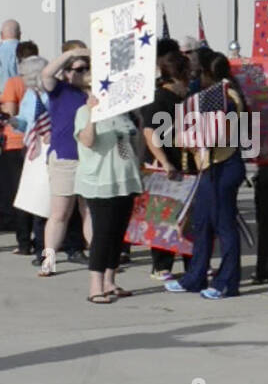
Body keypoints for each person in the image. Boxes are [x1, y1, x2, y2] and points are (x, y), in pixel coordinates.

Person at [164, 53, 248, 299]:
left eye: (197, 73)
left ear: (208, 73)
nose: (193, 78)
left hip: (224, 166)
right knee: (201, 224)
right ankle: (194, 277)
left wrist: (190, 138)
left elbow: (219, 134)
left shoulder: (228, 98)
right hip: (207, 168)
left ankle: (227, 282)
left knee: (224, 226)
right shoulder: (206, 98)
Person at [73, 94, 143, 302]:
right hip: (101, 179)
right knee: (103, 233)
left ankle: (110, 281)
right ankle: (95, 286)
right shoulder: (84, 112)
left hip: (125, 178)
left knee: (118, 233)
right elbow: (87, 141)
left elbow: (133, 141)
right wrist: (93, 113)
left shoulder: (123, 113)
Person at [37, 44, 93, 276]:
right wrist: (72, 54)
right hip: (65, 159)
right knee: (60, 213)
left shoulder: (96, 94)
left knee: (89, 212)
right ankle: (49, 258)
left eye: (84, 68)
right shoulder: (60, 90)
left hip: (92, 159)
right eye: (74, 69)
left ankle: (97, 257)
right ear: (66, 72)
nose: (79, 73)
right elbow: (46, 75)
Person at [141, 51, 198, 281]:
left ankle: (191, 263)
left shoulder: (186, 99)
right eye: (188, 73)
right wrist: (164, 162)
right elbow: (149, 132)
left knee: (187, 218)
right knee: (165, 216)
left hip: (187, 164)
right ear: (178, 75)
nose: (191, 78)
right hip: (167, 166)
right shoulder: (159, 100)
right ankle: (161, 266)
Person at [1, 41, 39, 247]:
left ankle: (23, 240)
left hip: (15, 141)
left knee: (19, 193)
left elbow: (10, 111)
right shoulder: (44, 83)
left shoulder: (15, 82)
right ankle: (40, 236)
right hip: (38, 141)